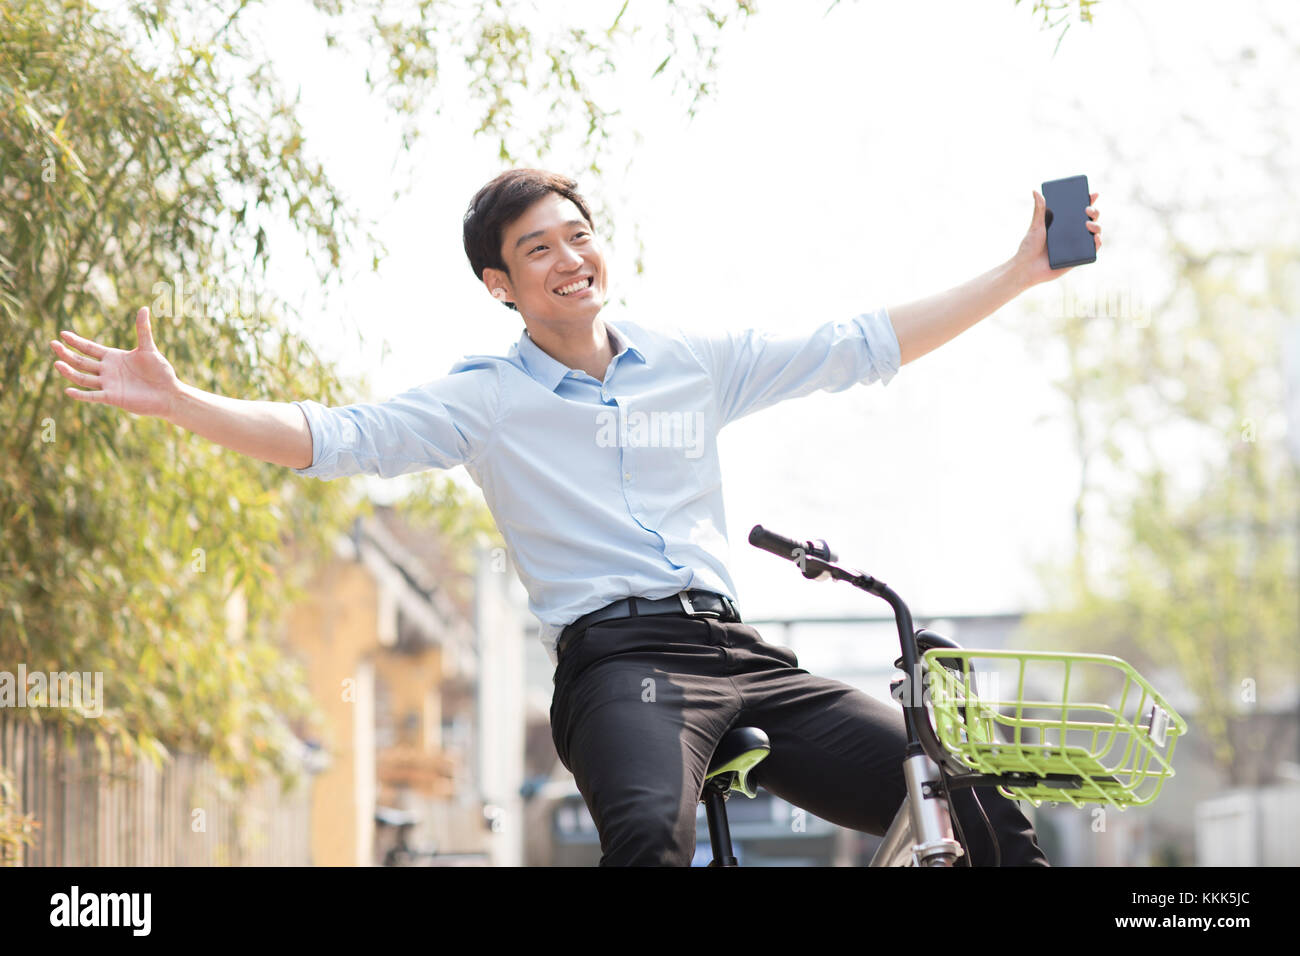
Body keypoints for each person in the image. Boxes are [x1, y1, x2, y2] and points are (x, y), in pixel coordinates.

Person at [50, 168, 1101, 866]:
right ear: (498, 282)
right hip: (621, 665)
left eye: (578, 236)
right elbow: (334, 436)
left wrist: (1019, 271)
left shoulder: (691, 360)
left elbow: (857, 343)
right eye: (537, 249)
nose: (569, 258)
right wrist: (183, 403)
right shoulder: (483, 399)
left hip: (740, 650)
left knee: (965, 796)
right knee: (648, 836)